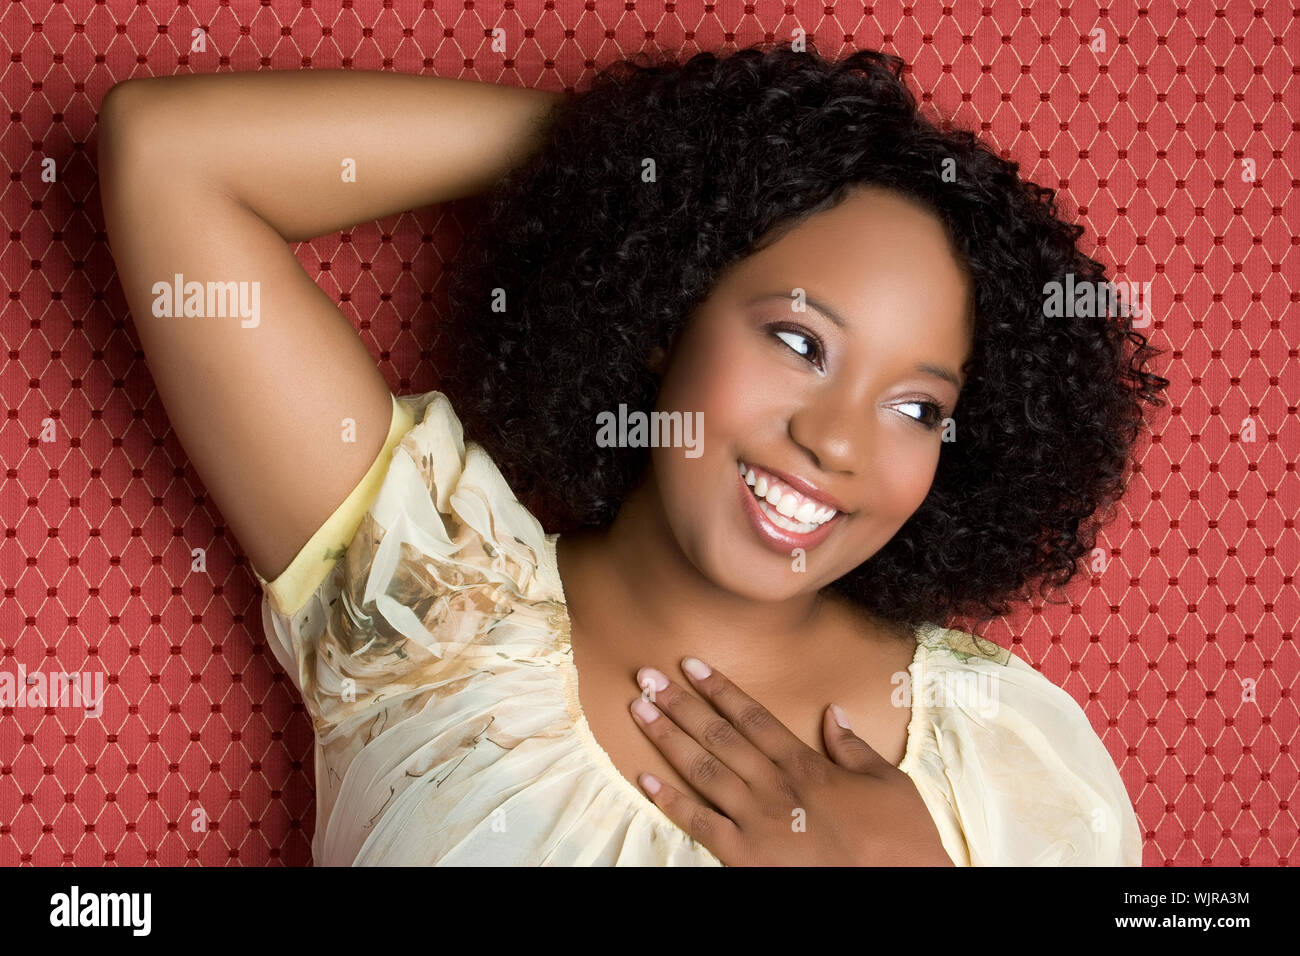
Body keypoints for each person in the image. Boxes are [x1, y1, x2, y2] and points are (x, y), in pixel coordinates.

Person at [98, 43, 1167, 865]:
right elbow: (172, 157)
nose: (837, 440)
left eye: (917, 407)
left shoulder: (1008, 749)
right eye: (798, 342)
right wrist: (651, 163)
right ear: (669, 304)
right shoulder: (427, 602)